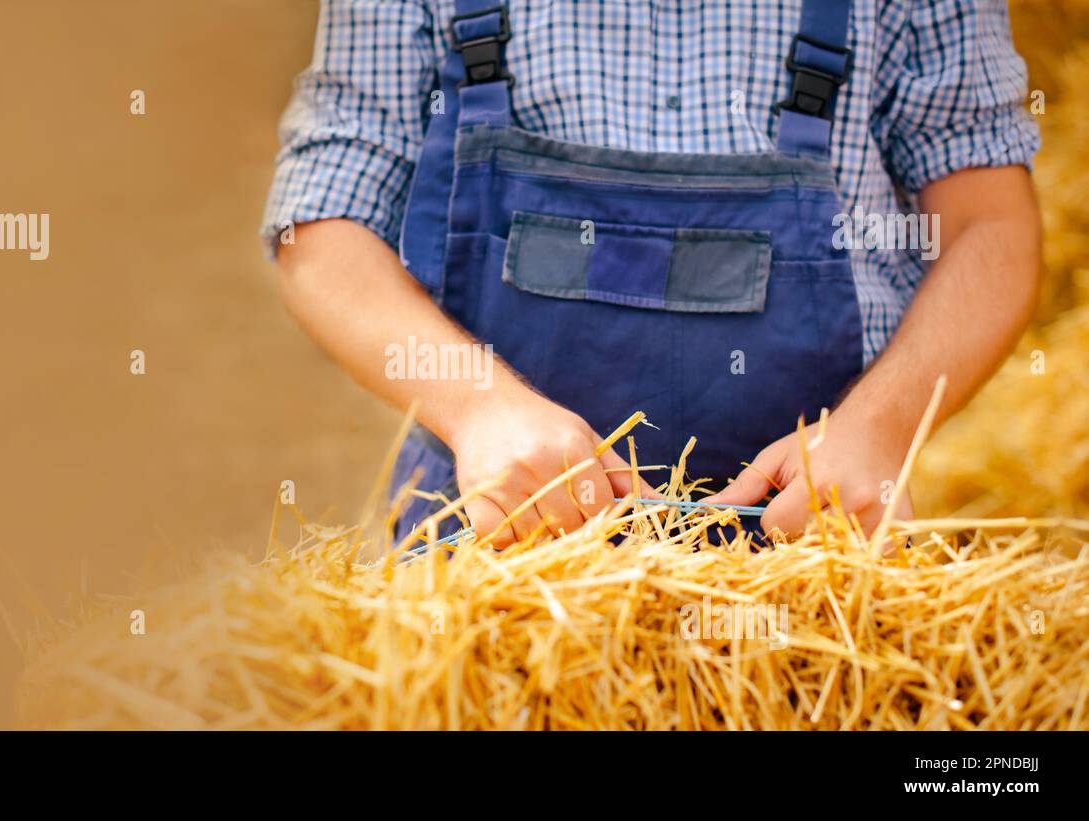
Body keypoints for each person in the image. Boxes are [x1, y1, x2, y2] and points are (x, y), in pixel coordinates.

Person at [264, 0, 1042, 545]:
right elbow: (320, 217)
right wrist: (478, 409)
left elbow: (988, 224)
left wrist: (879, 428)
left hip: (819, 558)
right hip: (496, 556)